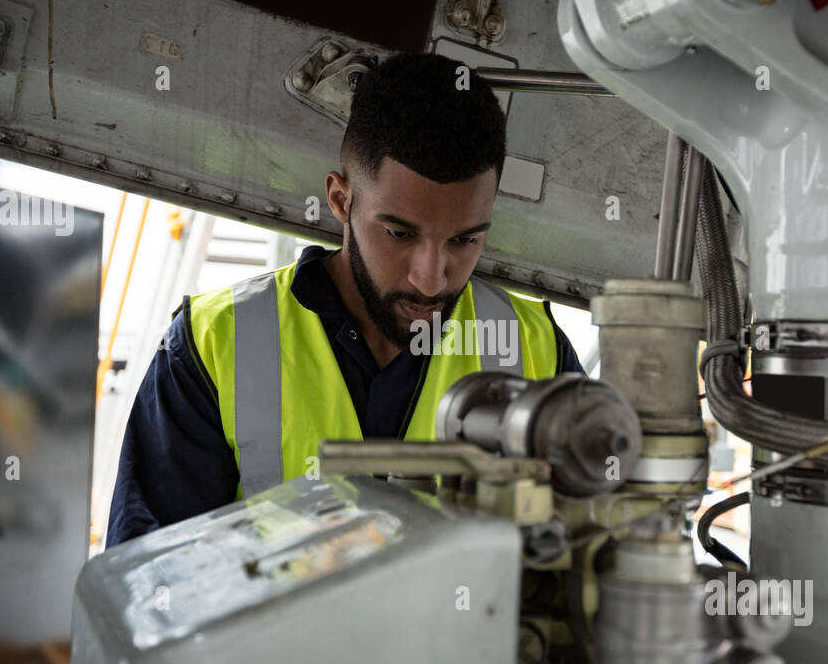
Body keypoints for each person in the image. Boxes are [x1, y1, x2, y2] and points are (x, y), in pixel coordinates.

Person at [105, 52, 584, 548]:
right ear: (340, 200)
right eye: (399, 233)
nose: (430, 279)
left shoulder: (540, 354)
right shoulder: (211, 345)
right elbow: (149, 587)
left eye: (465, 241)